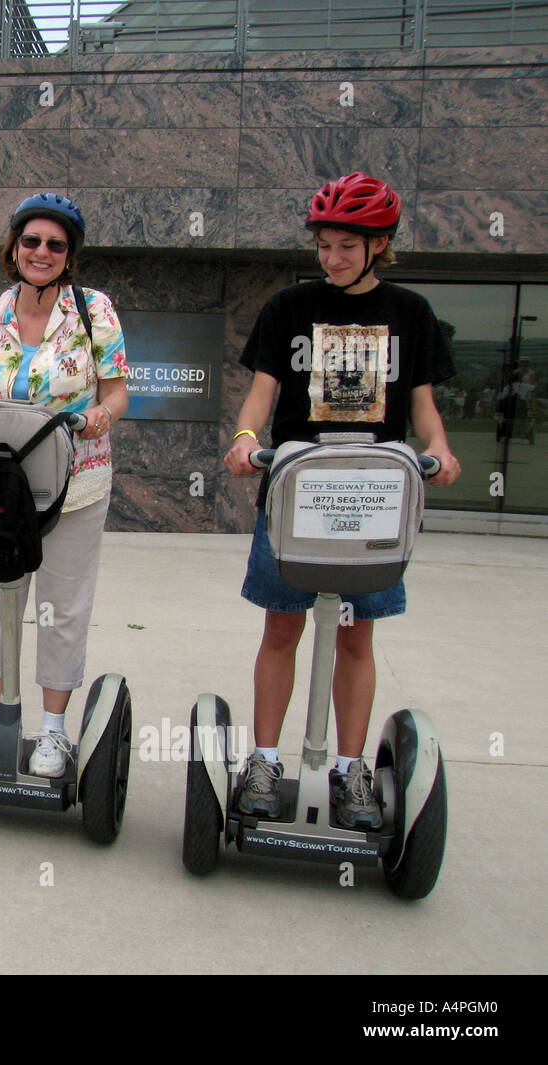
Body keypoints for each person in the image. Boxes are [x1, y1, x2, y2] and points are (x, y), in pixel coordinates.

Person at [224, 172, 461, 829]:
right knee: (281, 626)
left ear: (379, 244)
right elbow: (263, 395)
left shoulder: (409, 314)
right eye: (325, 245)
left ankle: (349, 769)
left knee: (357, 637)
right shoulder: (288, 309)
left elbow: (423, 408)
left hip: (375, 497)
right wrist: (246, 438)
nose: (332, 258)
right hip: (297, 490)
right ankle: (266, 760)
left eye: (348, 246)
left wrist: (442, 450)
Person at [0, 193, 130, 777]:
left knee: (61, 607)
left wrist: (98, 419)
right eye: (31, 240)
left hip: (75, 483)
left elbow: (116, 391)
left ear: (70, 255)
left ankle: (54, 732)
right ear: (14, 246)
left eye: (55, 244)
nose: (42, 252)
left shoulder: (94, 312)